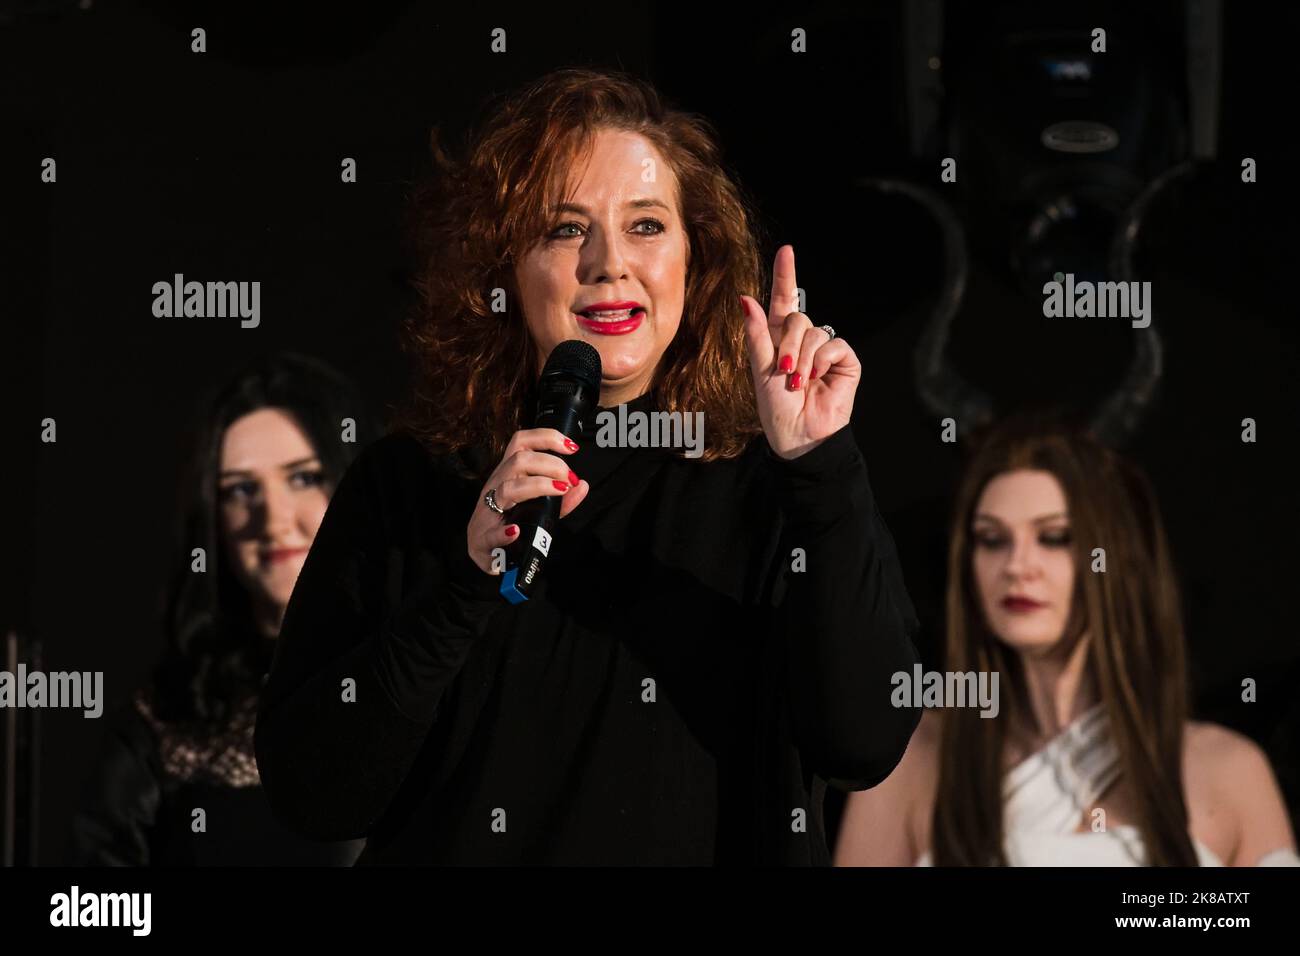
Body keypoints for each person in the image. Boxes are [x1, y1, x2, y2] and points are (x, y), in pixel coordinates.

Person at [254, 67, 921, 865]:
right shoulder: (410, 484)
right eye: (565, 229)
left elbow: (862, 743)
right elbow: (313, 794)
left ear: (694, 261)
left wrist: (819, 467)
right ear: (503, 266)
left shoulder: (775, 482)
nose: (609, 262)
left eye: (646, 226)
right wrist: (467, 583)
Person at [834, 417, 1299, 866]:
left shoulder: (1229, 769)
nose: (1017, 565)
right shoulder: (907, 755)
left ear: (1113, 559)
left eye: (1054, 537)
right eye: (992, 539)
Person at [69, 353, 371, 865]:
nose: (272, 520)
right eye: (241, 490)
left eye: (303, 478)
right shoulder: (164, 717)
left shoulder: (425, 676)